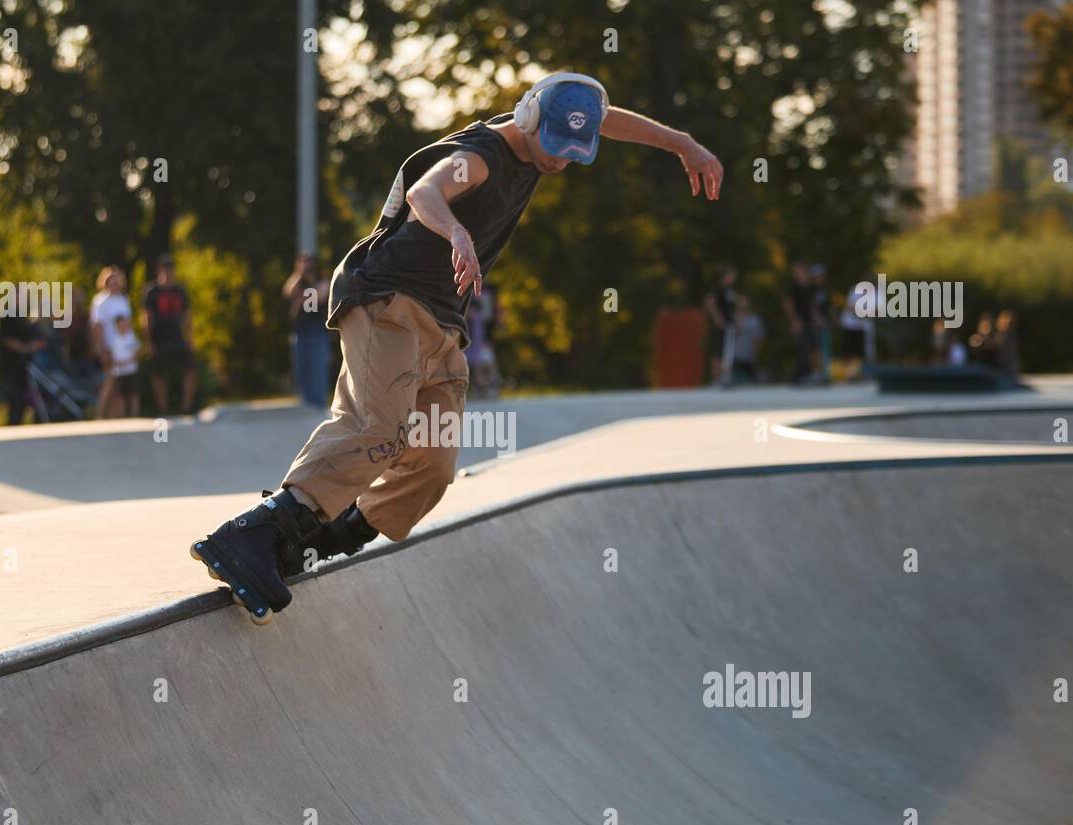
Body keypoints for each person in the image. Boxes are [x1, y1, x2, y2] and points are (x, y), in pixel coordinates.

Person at [189, 71, 723, 622]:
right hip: (387, 299)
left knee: (432, 465)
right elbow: (427, 191)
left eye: (573, 152)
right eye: (555, 147)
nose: (560, 161)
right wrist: (457, 233)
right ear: (528, 119)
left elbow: (608, 119)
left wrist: (683, 143)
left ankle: (313, 543)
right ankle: (253, 534)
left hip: (444, 323)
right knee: (378, 426)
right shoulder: (483, 154)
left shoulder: (559, 125)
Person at [144, 255, 197, 416]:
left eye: (170, 268)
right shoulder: (152, 292)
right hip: (159, 339)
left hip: (178, 338)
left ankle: (186, 407)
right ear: (159, 270)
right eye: (164, 268)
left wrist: (190, 338)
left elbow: (187, 316)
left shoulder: (180, 291)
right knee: (159, 375)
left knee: (190, 370)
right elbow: (147, 318)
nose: (167, 272)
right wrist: (149, 342)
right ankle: (163, 409)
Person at [284, 254, 333, 408]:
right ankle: (305, 403)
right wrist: (299, 274)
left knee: (317, 369)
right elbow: (287, 291)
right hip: (300, 332)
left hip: (318, 332)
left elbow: (319, 297)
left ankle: (318, 404)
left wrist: (302, 296)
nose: (307, 267)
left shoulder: (323, 281)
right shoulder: (299, 282)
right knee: (302, 369)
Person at [91, 266, 131, 419]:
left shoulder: (123, 299)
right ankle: (99, 416)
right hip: (108, 345)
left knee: (119, 384)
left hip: (123, 347)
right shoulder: (100, 301)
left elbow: (127, 324)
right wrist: (102, 349)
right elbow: (97, 327)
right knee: (110, 381)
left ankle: (115, 417)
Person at [0, 309, 47, 425]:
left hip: (25, 367)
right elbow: (7, 339)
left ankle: (26, 422)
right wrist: (27, 348)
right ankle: (13, 424)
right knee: (15, 399)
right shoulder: (8, 315)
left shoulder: (22, 315)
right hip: (12, 366)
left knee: (24, 398)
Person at [464, 283, 502, 398]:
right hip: (472, 332)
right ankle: (480, 386)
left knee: (487, 358)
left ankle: (492, 384)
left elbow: (497, 308)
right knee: (477, 360)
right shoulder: (468, 286)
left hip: (485, 331)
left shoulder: (490, 289)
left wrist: (499, 321)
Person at [703, 265, 738, 386]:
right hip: (723, 326)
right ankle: (719, 378)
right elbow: (709, 302)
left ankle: (723, 377)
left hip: (729, 325)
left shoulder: (729, 290)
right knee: (721, 352)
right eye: (731, 275)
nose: (733, 278)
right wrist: (717, 317)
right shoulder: (718, 289)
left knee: (725, 352)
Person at [784, 261, 818, 384]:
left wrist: (816, 319)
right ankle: (801, 375)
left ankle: (813, 373)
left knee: (813, 347)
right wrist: (794, 321)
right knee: (803, 348)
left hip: (810, 321)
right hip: (800, 322)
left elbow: (813, 305)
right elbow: (789, 305)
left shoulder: (811, 286)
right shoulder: (793, 287)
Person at [108, 310, 142, 418]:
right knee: (120, 396)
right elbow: (111, 356)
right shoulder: (114, 340)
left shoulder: (131, 338)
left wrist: (128, 362)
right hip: (119, 373)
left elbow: (137, 353)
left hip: (131, 371)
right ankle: (121, 417)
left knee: (134, 394)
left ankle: (135, 415)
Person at [730, 294, 764, 384]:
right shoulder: (734, 319)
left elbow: (758, 338)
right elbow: (734, 332)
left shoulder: (755, 320)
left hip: (749, 356)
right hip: (735, 357)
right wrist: (738, 318)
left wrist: (756, 353)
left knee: (751, 381)